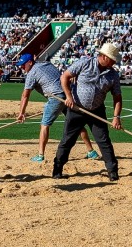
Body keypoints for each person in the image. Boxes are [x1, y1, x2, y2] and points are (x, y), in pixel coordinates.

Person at [52, 42, 125, 181]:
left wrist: (116, 117)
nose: (114, 62)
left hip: (97, 111)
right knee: (67, 140)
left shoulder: (113, 75)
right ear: (104, 57)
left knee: (103, 140)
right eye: (112, 59)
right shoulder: (85, 63)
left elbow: (117, 97)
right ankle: (57, 169)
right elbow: (65, 77)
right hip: (76, 109)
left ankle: (112, 171)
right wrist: (68, 97)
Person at [14, 53, 98, 163]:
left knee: (44, 125)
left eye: (23, 65)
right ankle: (91, 151)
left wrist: (21, 113)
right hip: (68, 95)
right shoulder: (46, 64)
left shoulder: (31, 73)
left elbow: (25, 95)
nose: (21, 67)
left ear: (30, 62)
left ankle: (40, 155)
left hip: (56, 97)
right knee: (76, 123)